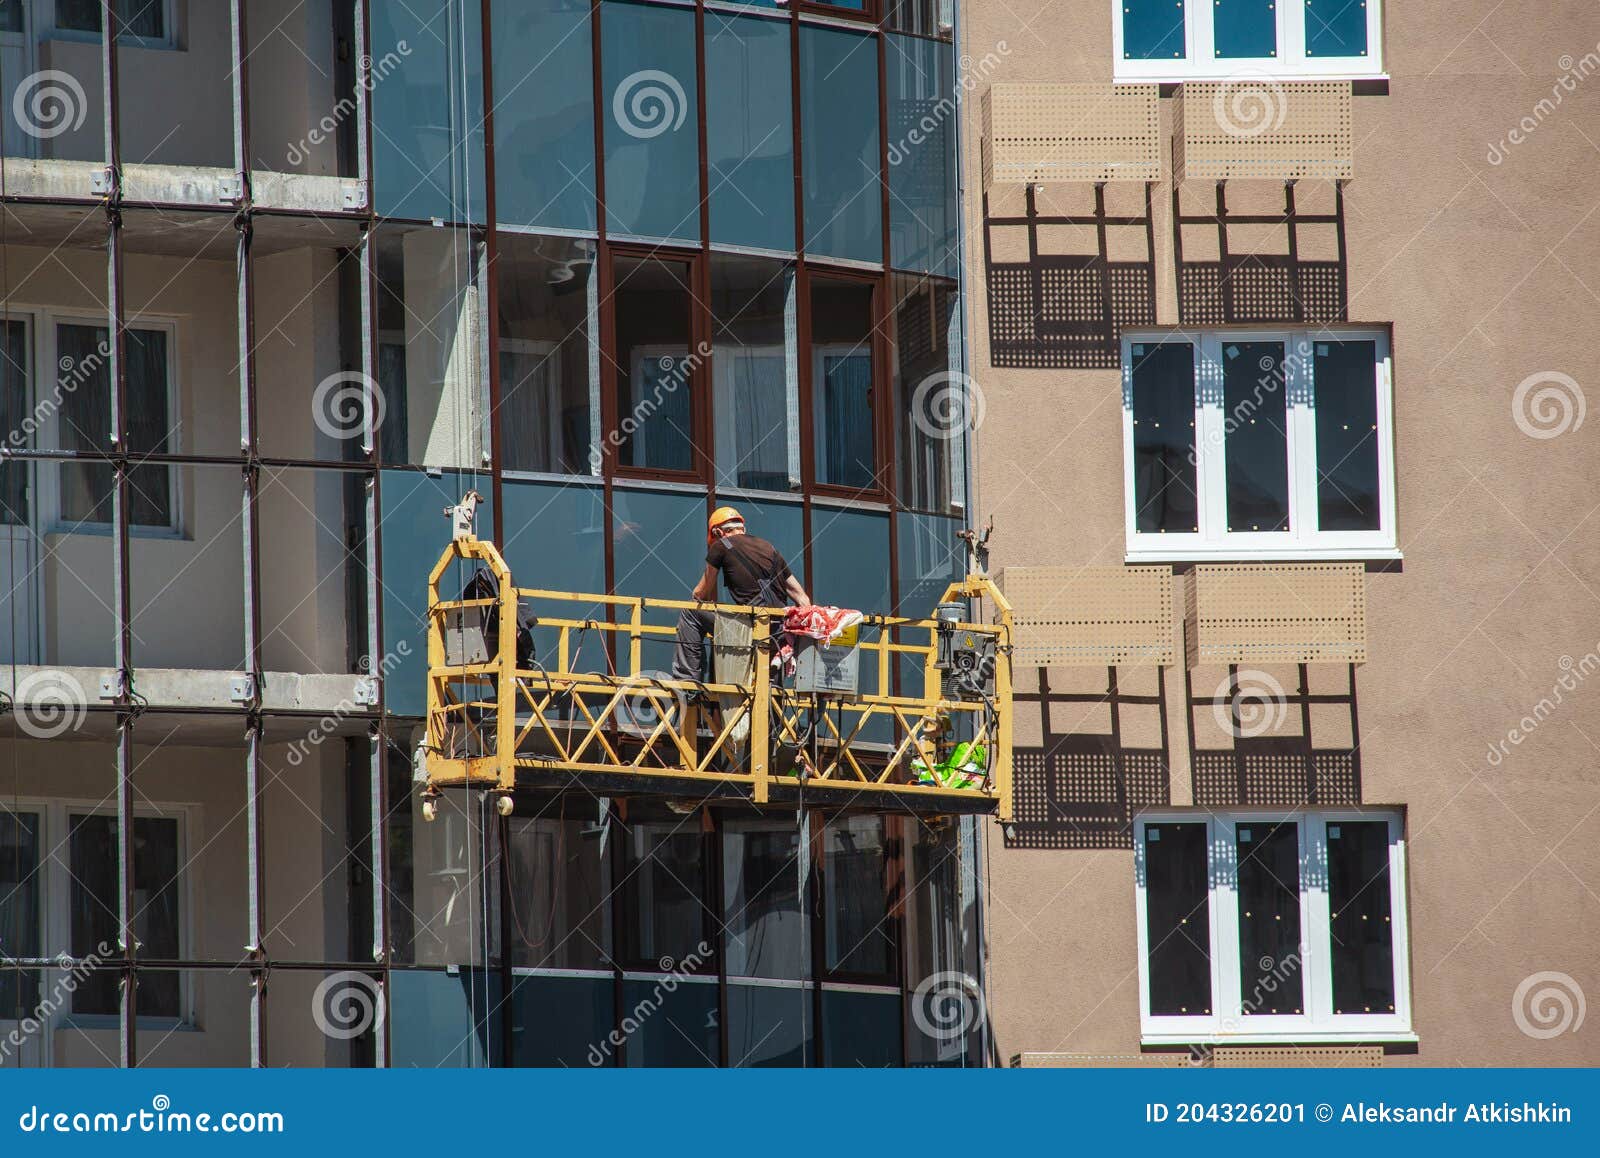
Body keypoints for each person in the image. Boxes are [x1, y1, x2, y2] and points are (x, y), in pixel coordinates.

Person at [672, 506, 810, 681]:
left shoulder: (721, 545)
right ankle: (773, 702)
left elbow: (700, 593)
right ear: (742, 528)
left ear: (718, 531)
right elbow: (802, 598)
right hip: (777, 634)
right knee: (768, 693)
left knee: (690, 611)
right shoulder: (770, 549)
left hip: (749, 630)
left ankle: (687, 683)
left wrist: (708, 604)